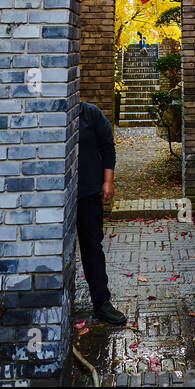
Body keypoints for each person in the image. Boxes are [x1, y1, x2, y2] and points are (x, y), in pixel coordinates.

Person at [77, 100, 126, 325]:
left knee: (92, 247)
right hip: (57, 196)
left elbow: (107, 146)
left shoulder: (90, 113)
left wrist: (108, 181)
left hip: (87, 192)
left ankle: (101, 303)